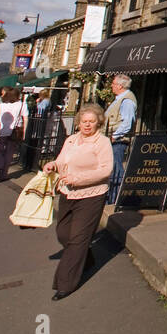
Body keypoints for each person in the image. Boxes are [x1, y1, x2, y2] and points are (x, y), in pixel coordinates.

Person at [43, 103, 113, 300]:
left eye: (91, 122)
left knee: (77, 239)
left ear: (98, 123)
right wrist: (53, 165)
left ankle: (65, 283)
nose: (87, 125)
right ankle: (85, 258)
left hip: (91, 195)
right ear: (79, 122)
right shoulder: (72, 140)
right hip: (67, 193)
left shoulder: (102, 143)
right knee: (63, 233)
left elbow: (106, 170)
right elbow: (61, 160)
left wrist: (79, 179)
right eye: (84, 121)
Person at [103, 74, 136, 205]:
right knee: (112, 168)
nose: (111, 85)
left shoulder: (127, 101)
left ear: (120, 86)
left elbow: (127, 123)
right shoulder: (120, 99)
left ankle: (115, 199)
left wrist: (114, 136)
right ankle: (111, 196)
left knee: (116, 169)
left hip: (118, 141)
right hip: (112, 140)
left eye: (113, 83)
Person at [0, 88, 26, 182]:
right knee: (9, 153)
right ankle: (3, 174)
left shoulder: (1, 105)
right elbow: (25, 119)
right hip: (14, 131)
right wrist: (24, 133)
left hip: (2, 130)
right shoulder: (22, 105)